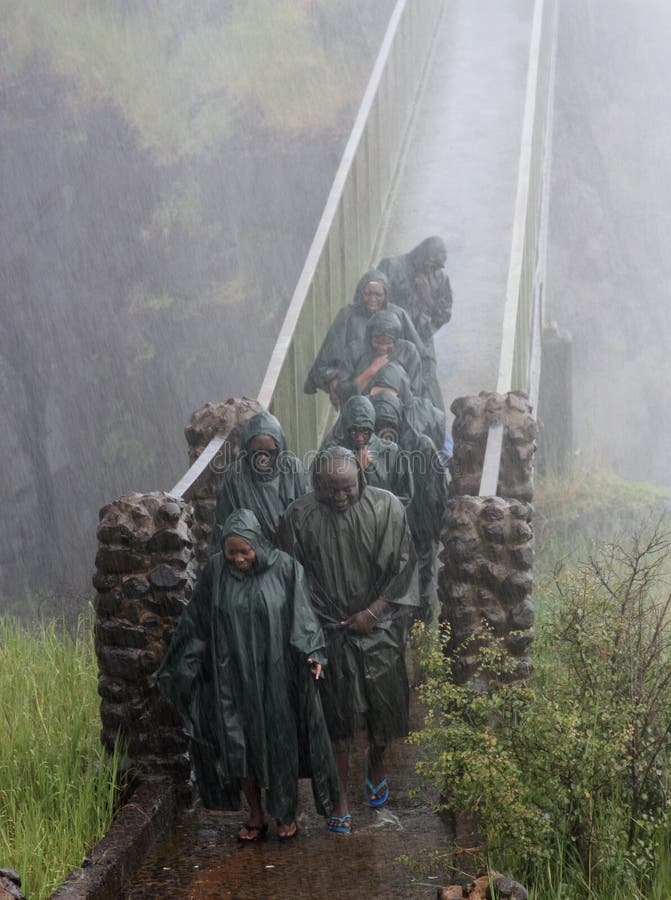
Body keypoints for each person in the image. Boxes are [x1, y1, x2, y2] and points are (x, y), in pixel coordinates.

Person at [157, 509, 340, 842]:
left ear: (259, 544)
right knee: (238, 747)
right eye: (232, 552)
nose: (239, 558)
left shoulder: (285, 568)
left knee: (279, 743)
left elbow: (303, 613)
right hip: (231, 678)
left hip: (275, 675)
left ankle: (284, 812)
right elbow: (197, 619)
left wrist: (313, 651)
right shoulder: (215, 571)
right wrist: (184, 665)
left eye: (245, 551)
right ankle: (255, 814)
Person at [278, 447, 418, 834]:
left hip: (380, 625)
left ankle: (376, 762)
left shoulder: (386, 508)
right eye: (330, 490)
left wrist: (372, 613)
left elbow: (404, 567)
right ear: (316, 484)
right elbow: (291, 578)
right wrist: (318, 625)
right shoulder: (298, 518)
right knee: (336, 719)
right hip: (329, 630)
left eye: (347, 488)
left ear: (361, 478)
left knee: (383, 709)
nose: (340, 498)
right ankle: (339, 796)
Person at [370, 390, 448, 623]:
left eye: (390, 423)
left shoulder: (421, 446)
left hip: (419, 536)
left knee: (421, 595)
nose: (386, 430)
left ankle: (420, 643)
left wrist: (433, 532)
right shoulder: (370, 452)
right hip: (389, 537)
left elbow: (436, 493)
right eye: (380, 425)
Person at [303, 269, 430, 407]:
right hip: (356, 388)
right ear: (360, 293)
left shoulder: (399, 315)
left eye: (378, 294)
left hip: (396, 391)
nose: (372, 299)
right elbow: (326, 359)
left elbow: (420, 357)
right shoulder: (348, 316)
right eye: (368, 293)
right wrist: (334, 382)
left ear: (386, 295)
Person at [210, 409, 308, 551]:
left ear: (280, 449)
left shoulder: (293, 469)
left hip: (291, 556)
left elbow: (307, 519)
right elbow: (223, 525)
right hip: (247, 558)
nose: (262, 459)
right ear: (246, 449)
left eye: (270, 453)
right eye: (256, 452)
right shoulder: (236, 475)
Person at [377, 236, 452, 413]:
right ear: (421, 254)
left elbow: (445, 314)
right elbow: (373, 300)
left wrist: (427, 297)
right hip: (389, 341)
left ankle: (436, 431)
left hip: (421, 342)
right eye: (430, 264)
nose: (431, 269)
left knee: (429, 387)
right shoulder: (392, 266)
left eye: (436, 267)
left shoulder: (439, 279)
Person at [321, 394, 412, 505]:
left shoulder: (391, 452)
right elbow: (327, 495)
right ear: (346, 429)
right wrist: (356, 471)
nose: (360, 438)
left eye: (365, 432)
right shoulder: (334, 454)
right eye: (354, 432)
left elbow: (405, 497)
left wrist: (379, 509)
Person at [334, 309, 423, 406]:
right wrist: (371, 371)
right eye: (378, 342)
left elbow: (414, 393)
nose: (383, 347)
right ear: (369, 336)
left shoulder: (408, 352)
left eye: (389, 343)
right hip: (360, 411)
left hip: (397, 411)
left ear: (396, 339)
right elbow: (342, 393)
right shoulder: (354, 351)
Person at [366, 361, 446, 454]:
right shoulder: (366, 410)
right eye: (378, 393)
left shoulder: (427, 413)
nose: (382, 400)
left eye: (388, 395)